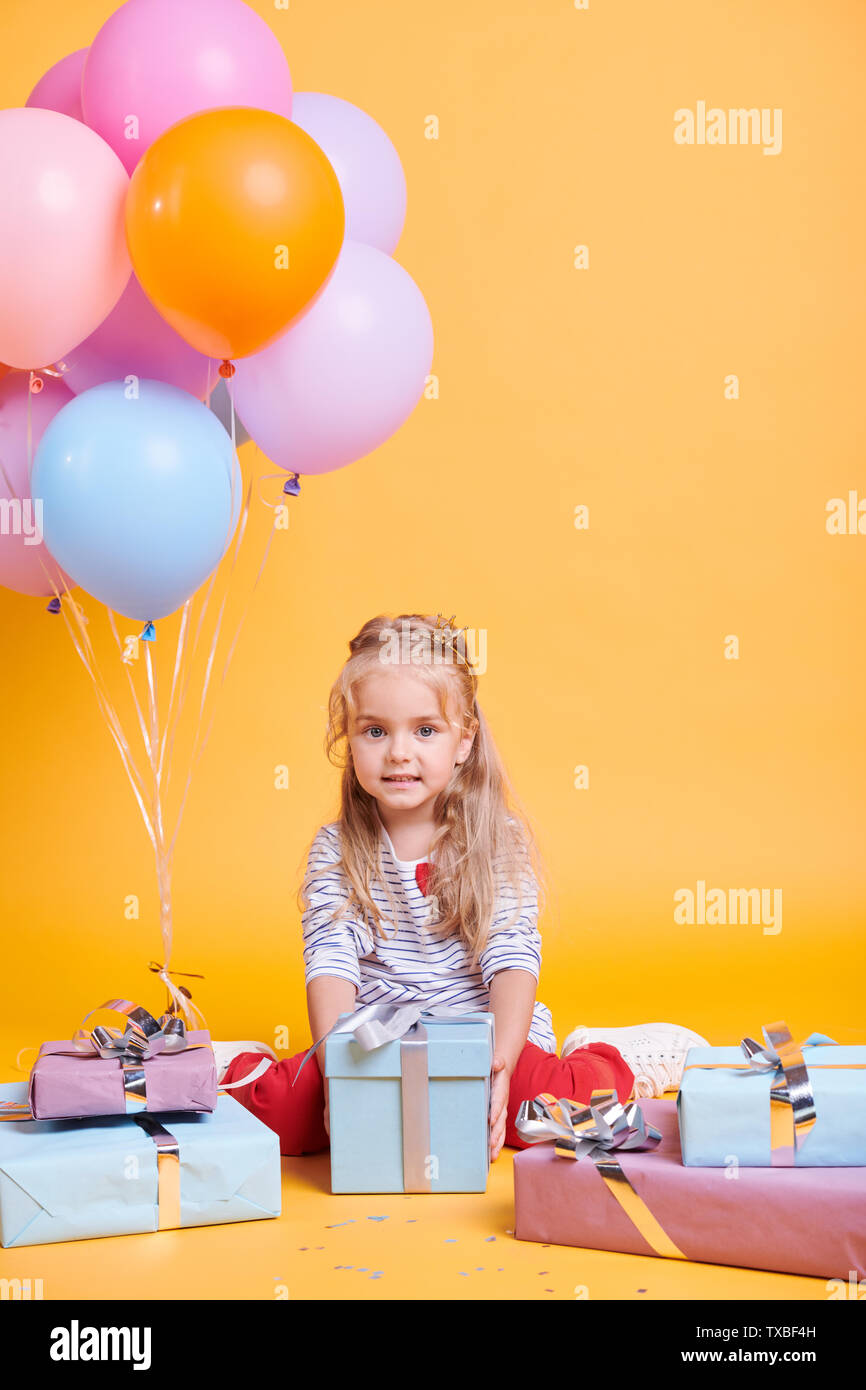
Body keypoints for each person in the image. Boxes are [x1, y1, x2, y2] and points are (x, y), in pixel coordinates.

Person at [217, 612, 708, 1159]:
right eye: (375, 731)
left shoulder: (497, 841)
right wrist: (339, 1077)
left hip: (480, 1037)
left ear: (463, 741)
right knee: (285, 1116)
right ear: (349, 739)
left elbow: (512, 957)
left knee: (546, 1114)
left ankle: (614, 1055)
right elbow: (330, 962)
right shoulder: (336, 848)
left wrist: (501, 1066)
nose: (399, 752)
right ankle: (235, 1065)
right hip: (376, 1047)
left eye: (425, 731)